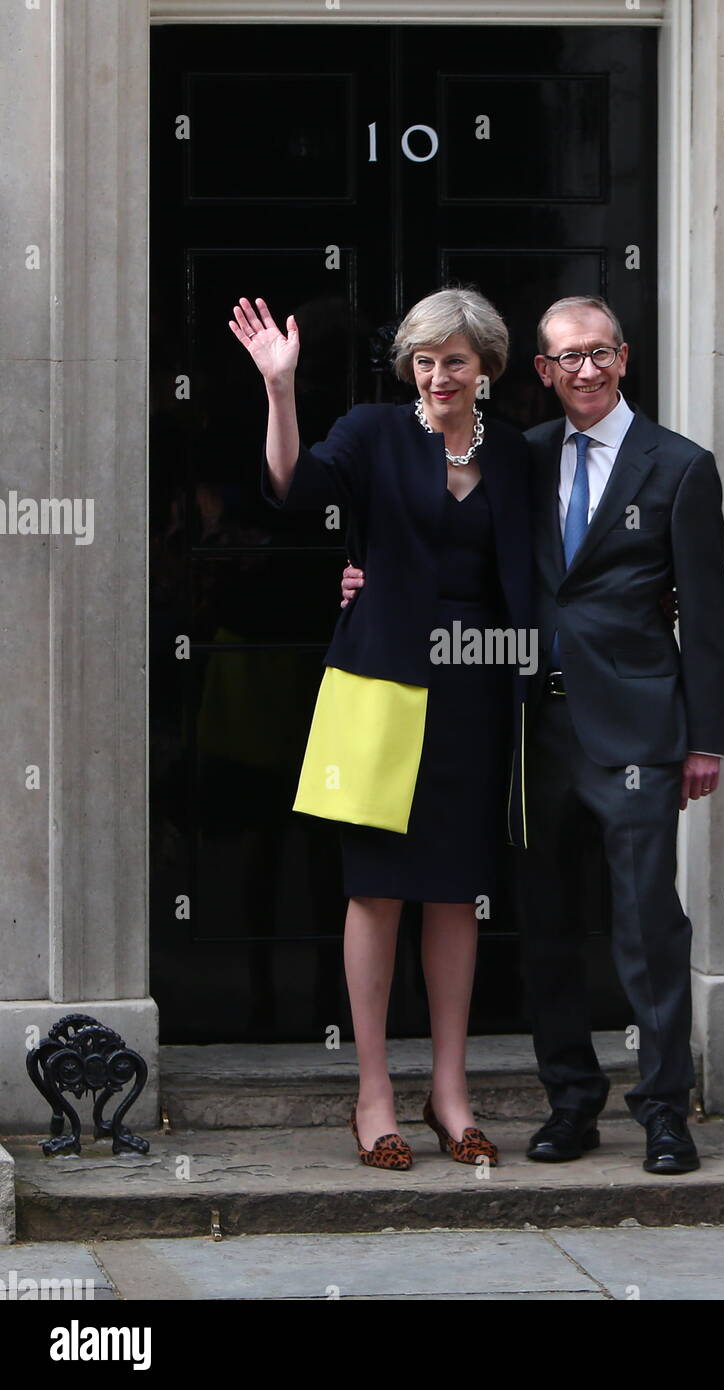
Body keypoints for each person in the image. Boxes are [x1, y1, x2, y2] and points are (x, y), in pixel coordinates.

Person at [343, 294, 724, 1176]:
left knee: (646, 926)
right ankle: (571, 1104)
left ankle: (664, 1113)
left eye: (600, 353)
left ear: (624, 359)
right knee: (548, 926)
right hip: (529, 723)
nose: (585, 370)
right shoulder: (517, 457)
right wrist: (372, 582)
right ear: (545, 372)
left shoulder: (681, 467)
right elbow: (454, 547)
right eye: (567, 358)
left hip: (638, 731)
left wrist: (706, 738)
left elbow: (706, 618)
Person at [229, 287, 531, 1170]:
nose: (439, 376)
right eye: (426, 361)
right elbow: (291, 488)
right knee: (376, 887)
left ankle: (451, 1093)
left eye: (457, 361)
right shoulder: (370, 431)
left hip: (474, 691)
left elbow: (544, 565)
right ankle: (372, 1097)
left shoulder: (517, 454)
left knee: (454, 888)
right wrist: (280, 391)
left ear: (488, 369)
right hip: (378, 683)